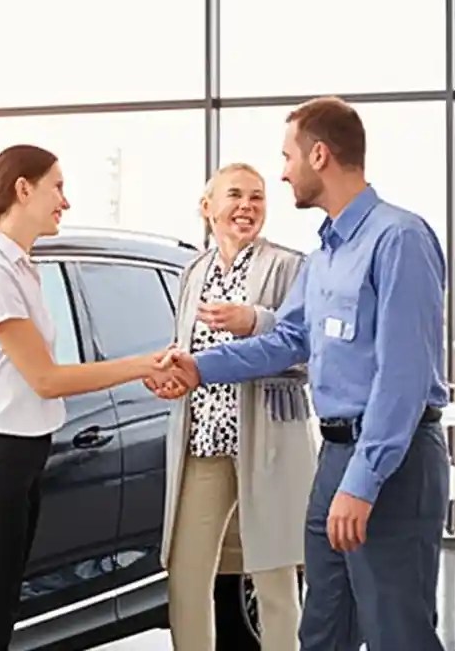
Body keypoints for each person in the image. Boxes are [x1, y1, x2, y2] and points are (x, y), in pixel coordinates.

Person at [149, 96, 450, 651]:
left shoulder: (399, 239)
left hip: (393, 461)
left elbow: (402, 378)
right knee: (322, 630)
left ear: (319, 154)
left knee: (395, 630)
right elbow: (288, 341)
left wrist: (363, 482)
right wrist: (199, 366)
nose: (282, 172)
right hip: (335, 457)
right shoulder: (327, 253)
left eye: (287, 158)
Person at [0, 144, 174, 651]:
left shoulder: (22, 267)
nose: (65, 202)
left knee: (2, 609)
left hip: (22, 453)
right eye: (58, 187)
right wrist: (142, 364)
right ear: (23, 189)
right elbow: (45, 379)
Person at [162, 162, 316, 651]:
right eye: (235, 195)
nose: (246, 207)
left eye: (257, 197)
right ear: (207, 208)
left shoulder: (290, 266)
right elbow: (184, 346)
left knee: (273, 576)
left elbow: (308, 350)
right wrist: (169, 372)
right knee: (186, 574)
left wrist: (256, 320)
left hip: (265, 442)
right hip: (204, 442)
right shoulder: (192, 273)